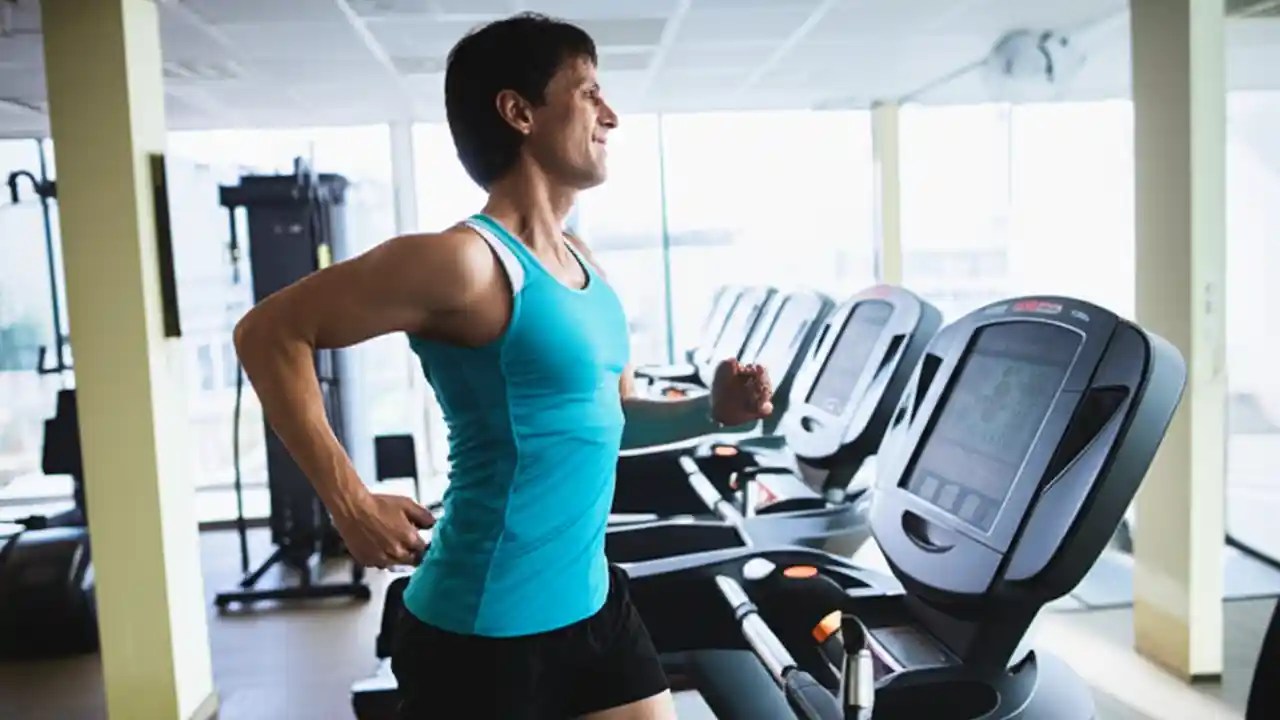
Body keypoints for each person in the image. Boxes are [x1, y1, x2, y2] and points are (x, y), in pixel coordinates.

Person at [233, 12, 773, 720]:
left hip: (593, 604)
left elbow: (613, 420)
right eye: (588, 93)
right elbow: (268, 332)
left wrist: (713, 412)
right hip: (483, 632)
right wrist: (349, 500)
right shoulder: (462, 262)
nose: (610, 114)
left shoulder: (587, 265)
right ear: (519, 112)